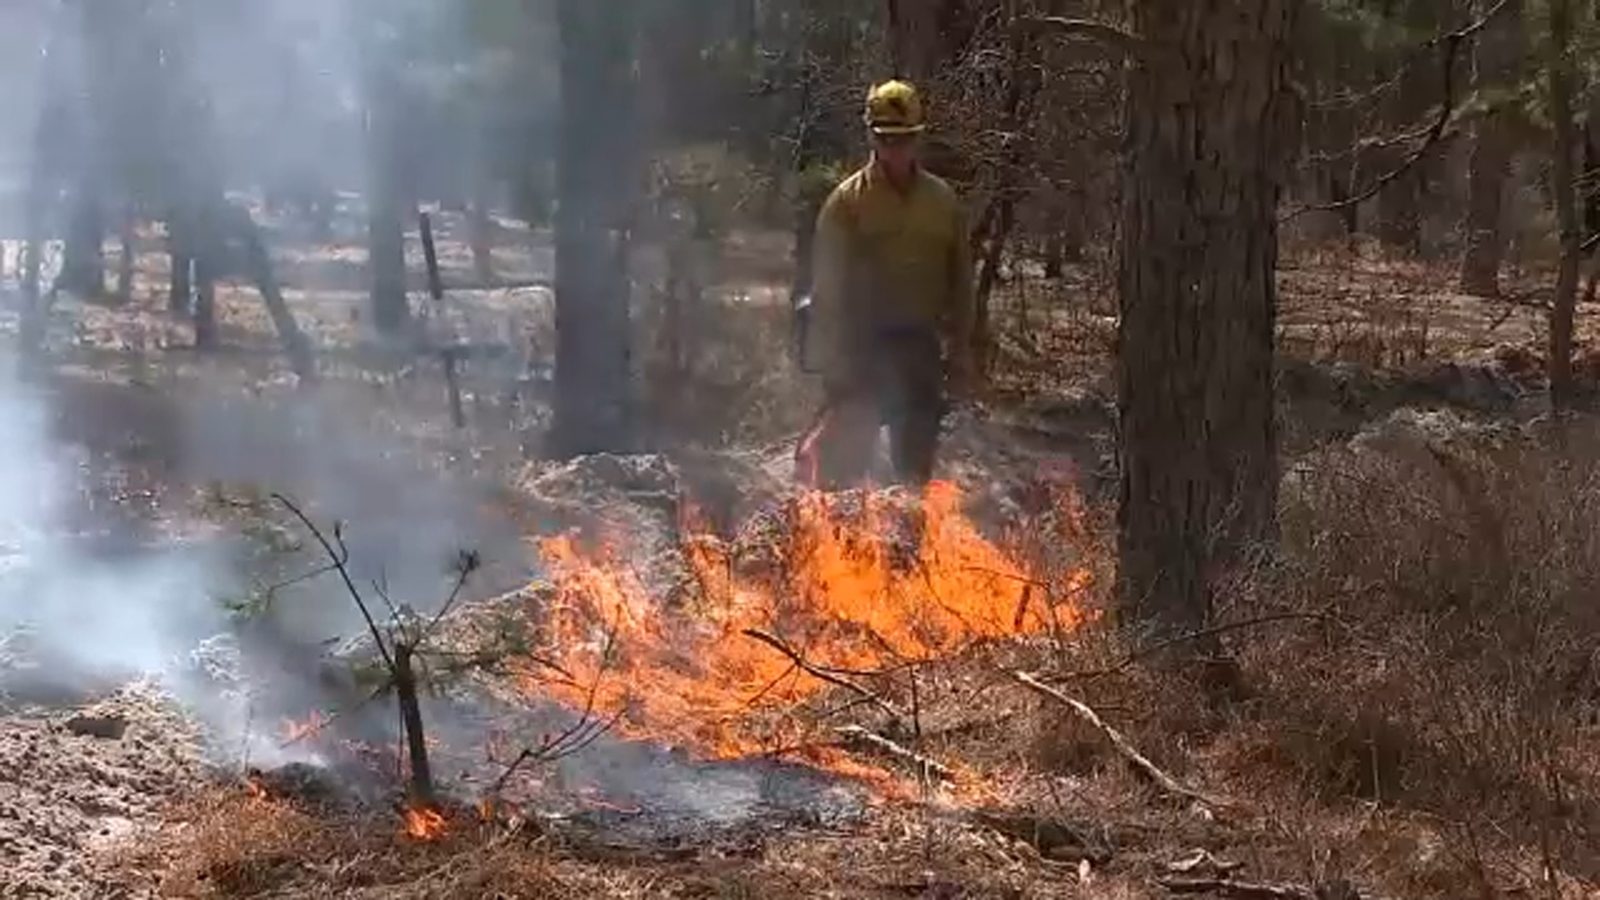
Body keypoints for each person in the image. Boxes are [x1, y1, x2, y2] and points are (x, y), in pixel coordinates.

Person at [795, 79, 976, 490]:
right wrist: (834, 367)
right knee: (842, 474)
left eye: (905, 140)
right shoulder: (846, 205)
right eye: (887, 140)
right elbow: (828, 291)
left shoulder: (942, 203)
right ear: (872, 137)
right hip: (861, 350)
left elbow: (961, 282)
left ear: (918, 138)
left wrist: (963, 349)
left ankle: (911, 544)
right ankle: (841, 544)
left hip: (919, 351)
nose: (896, 150)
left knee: (914, 473)